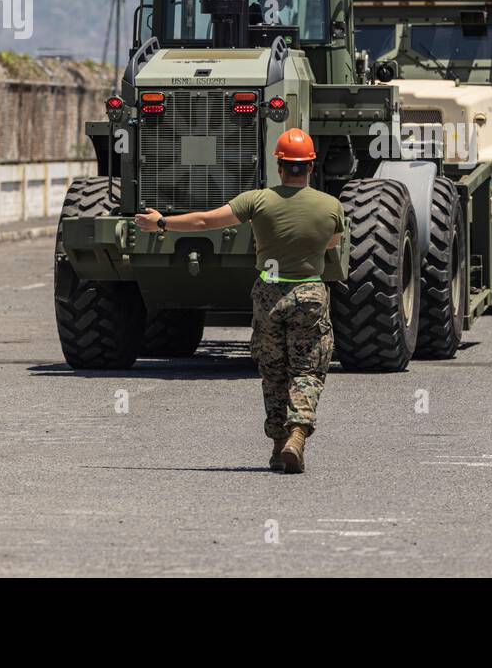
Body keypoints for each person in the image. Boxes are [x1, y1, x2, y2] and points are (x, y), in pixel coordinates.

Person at [135, 128, 344, 474]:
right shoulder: (330, 206)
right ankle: (297, 433)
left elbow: (205, 221)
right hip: (309, 293)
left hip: (269, 294)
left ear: (279, 165)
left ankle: (279, 445)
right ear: (310, 166)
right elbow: (333, 243)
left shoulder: (257, 200)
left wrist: (161, 222)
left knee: (273, 371)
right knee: (307, 371)